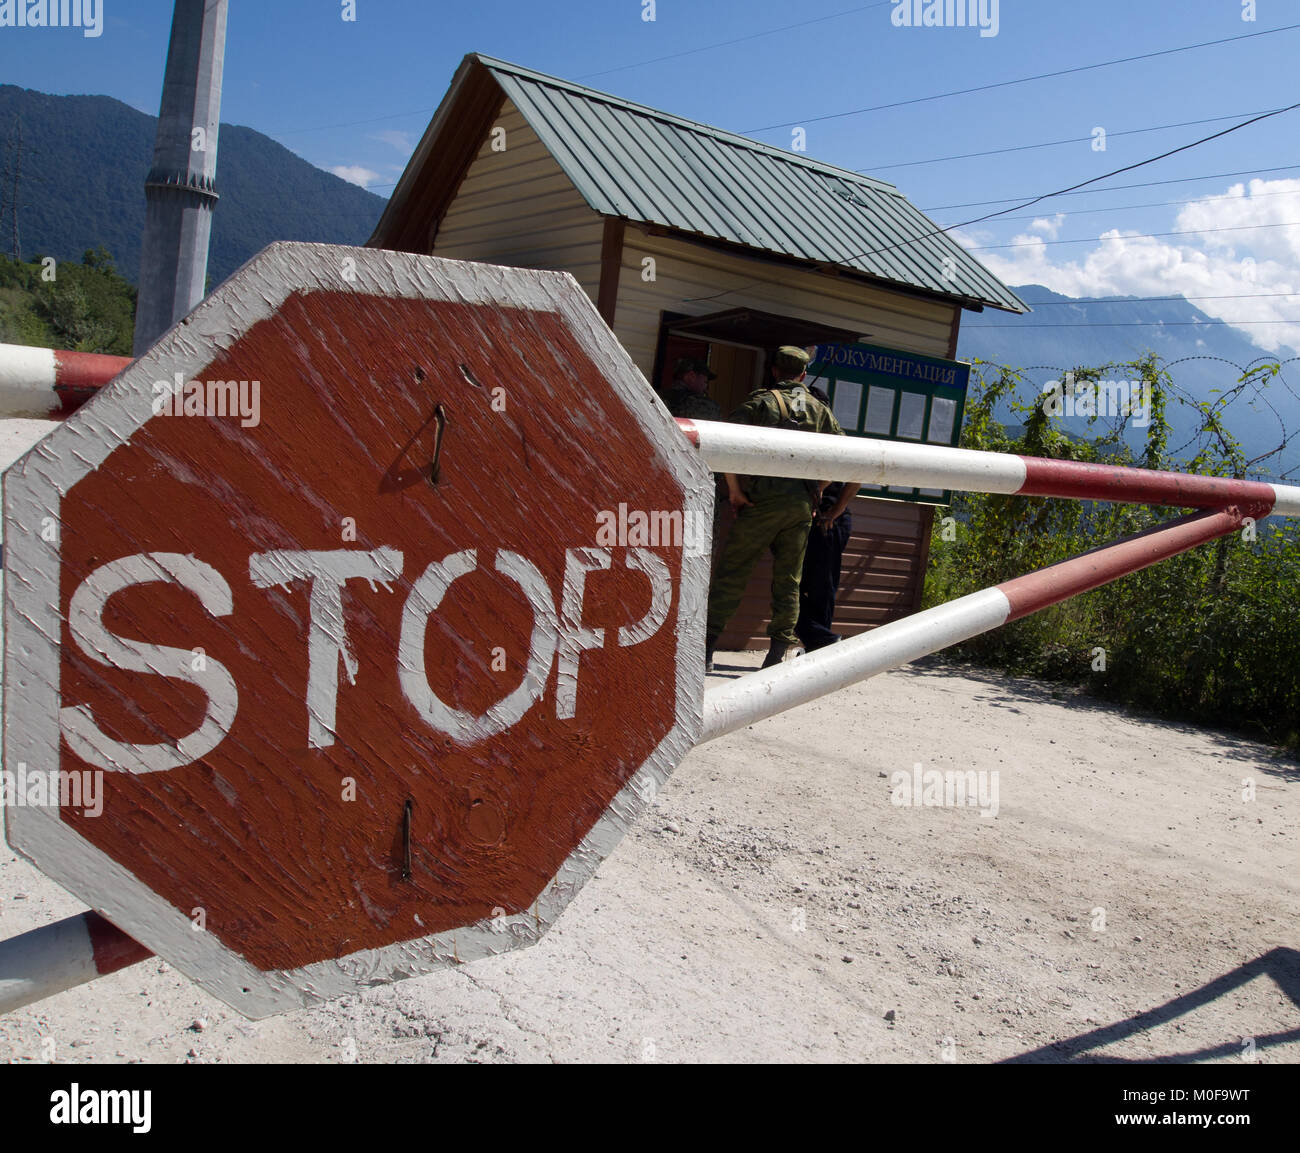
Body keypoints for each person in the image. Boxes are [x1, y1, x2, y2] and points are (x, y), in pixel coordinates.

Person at [705, 346, 846, 671]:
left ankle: (707, 649)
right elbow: (846, 455)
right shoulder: (818, 409)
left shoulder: (761, 401)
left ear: (773, 371)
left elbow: (727, 442)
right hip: (799, 509)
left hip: (760, 503)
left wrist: (736, 491)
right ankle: (775, 654)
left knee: (732, 575)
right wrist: (818, 491)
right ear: (803, 375)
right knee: (789, 582)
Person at [796, 385, 862, 652]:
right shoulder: (808, 437)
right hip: (812, 520)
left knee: (821, 585)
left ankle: (820, 642)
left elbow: (858, 472)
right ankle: (816, 638)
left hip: (828, 521)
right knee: (798, 583)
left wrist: (833, 510)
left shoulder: (833, 437)